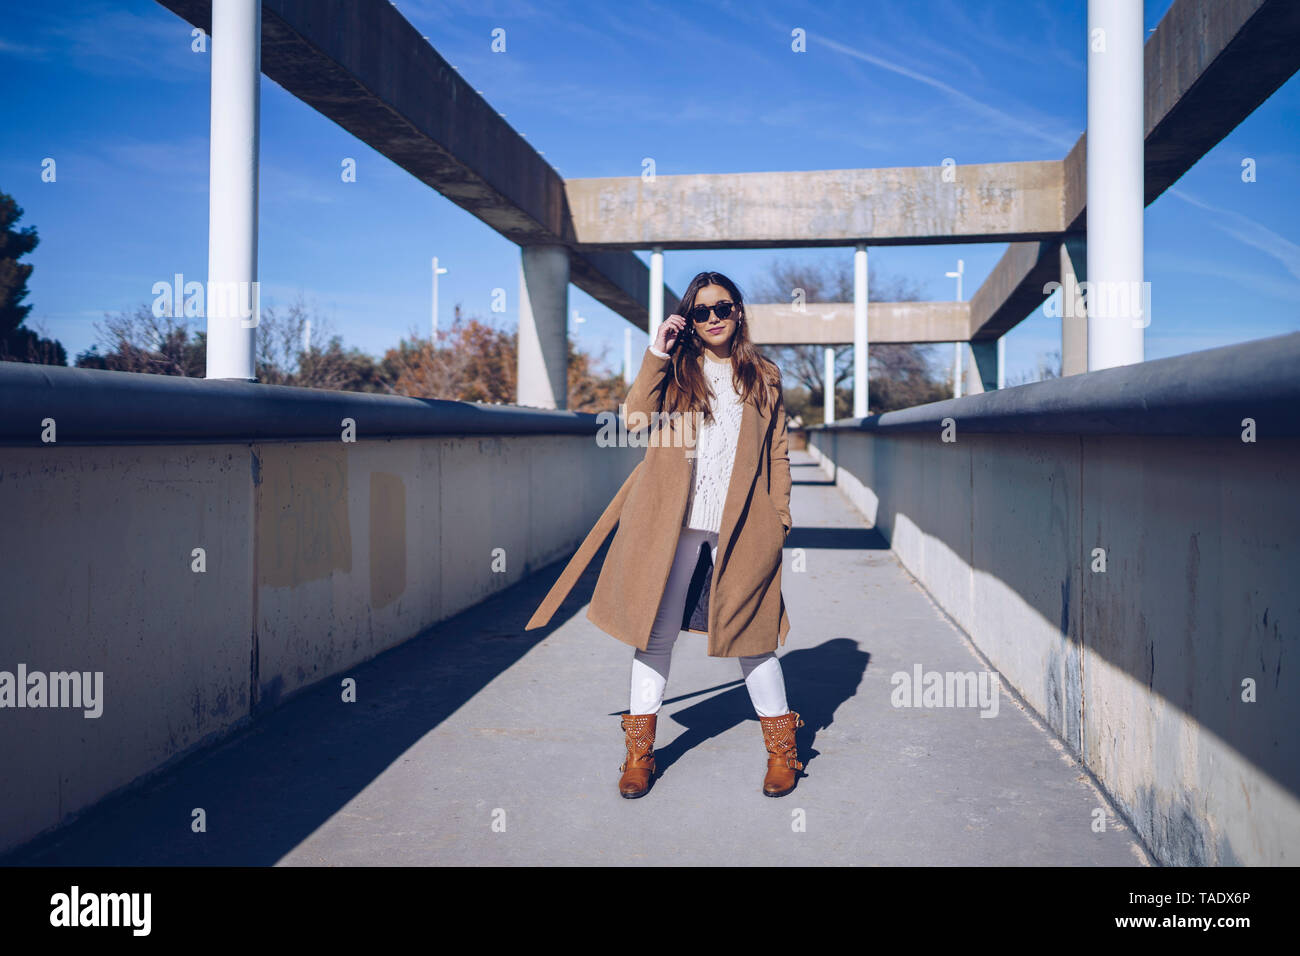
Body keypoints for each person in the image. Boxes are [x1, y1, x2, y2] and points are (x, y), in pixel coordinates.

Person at [616, 271, 803, 799]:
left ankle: (783, 752)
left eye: (723, 307)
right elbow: (633, 420)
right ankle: (638, 755)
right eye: (701, 311)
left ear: (738, 312)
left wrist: (779, 517)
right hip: (673, 524)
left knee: (755, 636)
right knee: (654, 634)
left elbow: (778, 455)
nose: (714, 317)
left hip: (743, 523)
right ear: (690, 320)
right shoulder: (677, 371)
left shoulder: (763, 376)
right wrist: (656, 351)